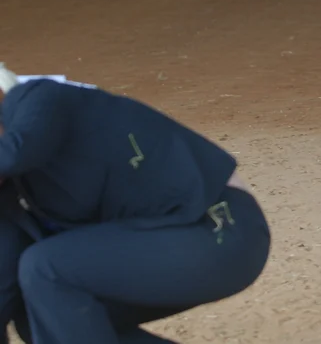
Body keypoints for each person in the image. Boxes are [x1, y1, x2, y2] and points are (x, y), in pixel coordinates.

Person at [0, 62, 271, 343]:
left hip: (219, 228)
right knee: (42, 316)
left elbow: (19, 149)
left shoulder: (37, 97)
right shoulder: (13, 190)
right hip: (164, 245)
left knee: (46, 268)